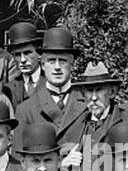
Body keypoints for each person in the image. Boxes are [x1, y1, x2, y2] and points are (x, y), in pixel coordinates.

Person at [15, 25, 88, 153]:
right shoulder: (26, 110)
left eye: (63, 61)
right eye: (51, 61)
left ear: (72, 64)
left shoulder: (87, 104)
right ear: (42, 65)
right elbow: (19, 162)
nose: (57, 67)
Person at [68, 62, 128, 171]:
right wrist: (65, 164)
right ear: (83, 94)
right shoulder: (76, 124)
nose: (94, 97)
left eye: (99, 90)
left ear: (112, 92)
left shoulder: (125, 122)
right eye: (89, 91)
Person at [1, 20, 44, 106]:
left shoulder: (51, 83)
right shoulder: (9, 89)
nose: (23, 59)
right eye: (17, 54)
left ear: (39, 53)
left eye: (27, 53)